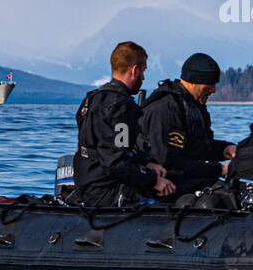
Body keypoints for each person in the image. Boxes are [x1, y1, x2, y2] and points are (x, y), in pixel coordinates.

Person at [69, 41, 174, 207]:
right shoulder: (121, 107)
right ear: (135, 70)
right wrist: (154, 180)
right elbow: (117, 161)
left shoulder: (92, 99)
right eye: (143, 71)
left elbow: (111, 147)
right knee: (170, 199)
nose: (143, 78)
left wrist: (147, 163)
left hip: (86, 181)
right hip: (106, 188)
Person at [139, 52, 237, 194]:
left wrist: (225, 149)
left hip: (186, 179)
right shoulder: (166, 109)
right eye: (209, 84)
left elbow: (197, 147)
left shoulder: (192, 105)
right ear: (192, 82)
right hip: (166, 185)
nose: (213, 90)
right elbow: (168, 163)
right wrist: (219, 169)